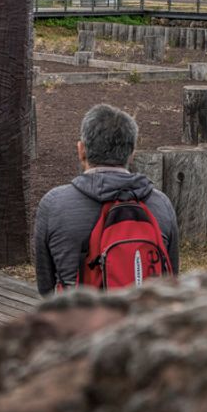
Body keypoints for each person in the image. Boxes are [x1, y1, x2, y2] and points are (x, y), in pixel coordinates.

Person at [34, 104, 180, 297]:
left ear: (81, 150)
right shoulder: (161, 204)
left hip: (78, 320)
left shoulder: (53, 204)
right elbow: (171, 277)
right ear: (132, 153)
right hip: (142, 321)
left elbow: (45, 286)